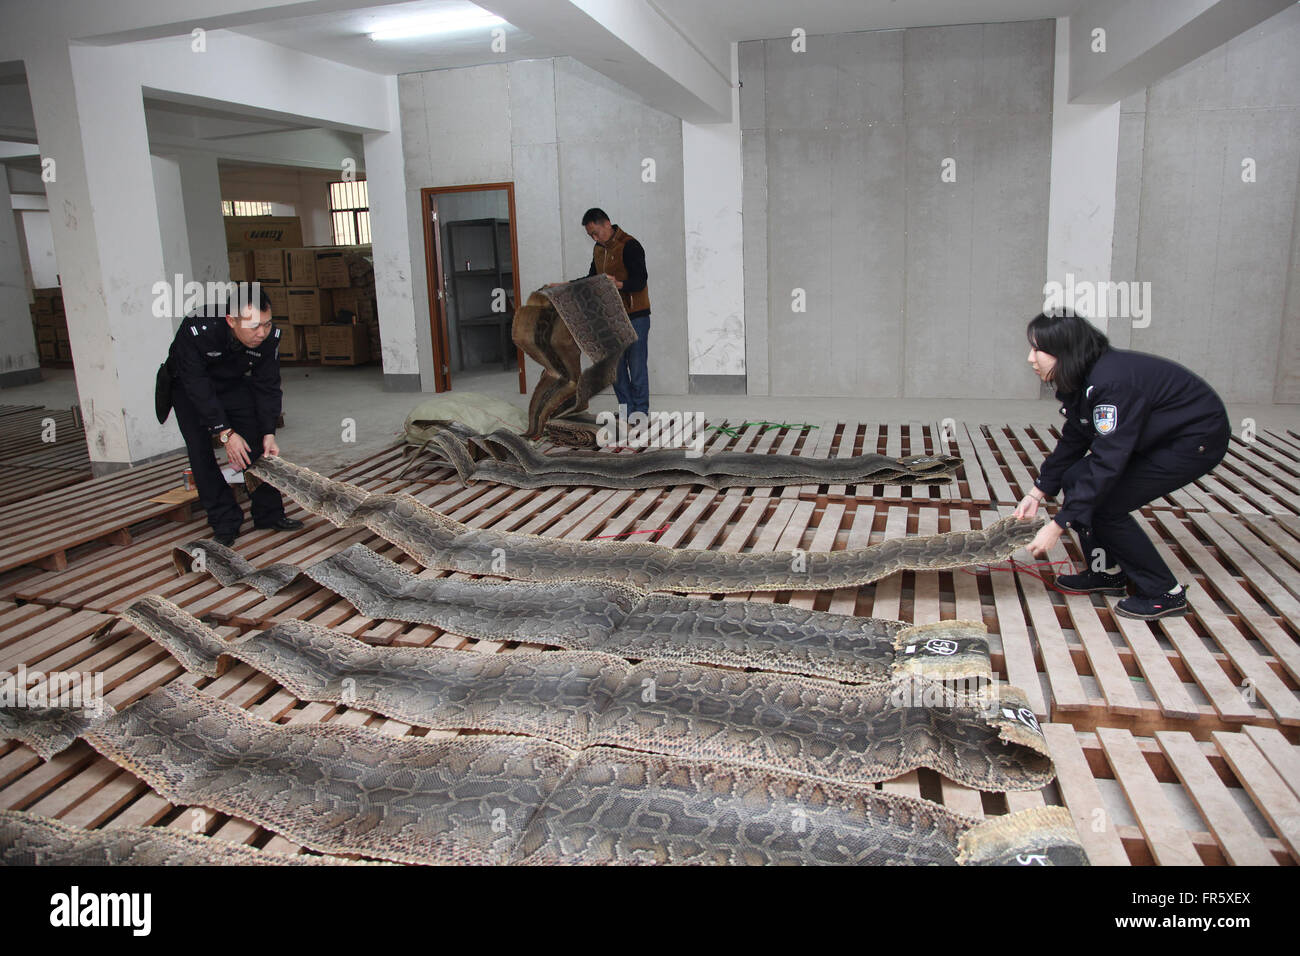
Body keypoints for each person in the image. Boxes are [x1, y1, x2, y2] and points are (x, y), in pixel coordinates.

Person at [1014, 309, 1230, 620]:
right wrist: (1037, 493)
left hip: (1193, 441)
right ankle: (1106, 571)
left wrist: (1059, 524)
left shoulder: (1111, 384)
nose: (1031, 358)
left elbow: (1107, 462)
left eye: (1039, 350)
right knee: (1077, 479)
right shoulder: (1079, 378)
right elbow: (1075, 439)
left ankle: (1164, 593)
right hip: (1154, 434)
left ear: (1067, 351)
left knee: (1105, 504)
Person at [160, 284, 302, 546]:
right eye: (254, 326)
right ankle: (224, 521)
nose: (261, 333)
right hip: (189, 389)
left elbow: (268, 384)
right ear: (231, 320)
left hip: (231, 382)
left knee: (257, 440)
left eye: (267, 324)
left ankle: (269, 514)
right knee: (200, 453)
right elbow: (198, 386)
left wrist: (269, 432)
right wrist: (225, 432)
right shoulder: (196, 330)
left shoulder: (269, 337)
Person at [581, 207, 651, 417]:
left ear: (607, 224)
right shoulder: (598, 249)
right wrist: (566, 285)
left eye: (596, 232)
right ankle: (626, 410)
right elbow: (593, 277)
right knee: (616, 369)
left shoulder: (630, 245)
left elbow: (640, 281)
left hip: (636, 316)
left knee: (637, 368)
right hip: (610, 318)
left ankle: (640, 413)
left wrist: (617, 284)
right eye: (590, 235)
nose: (594, 237)